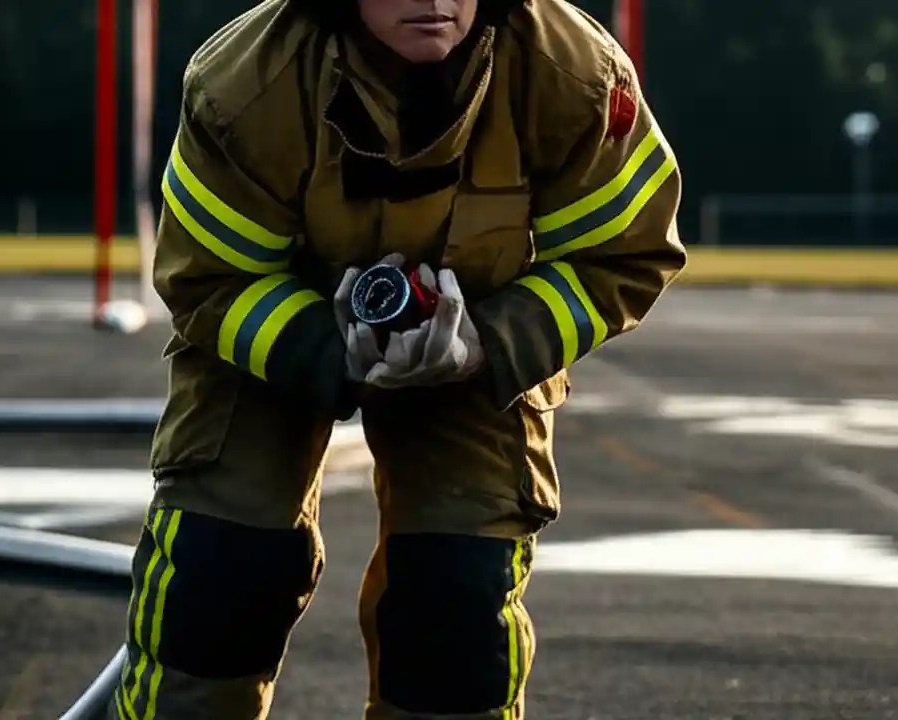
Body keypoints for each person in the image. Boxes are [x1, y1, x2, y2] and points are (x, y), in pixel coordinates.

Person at [111, 0, 686, 717]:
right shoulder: (242, 86)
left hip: (483, 356)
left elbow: (622, 254)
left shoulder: (575, 76)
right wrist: (327, 351)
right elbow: (211, 277)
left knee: (456, 602)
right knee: (219, 571)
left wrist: (485, 345)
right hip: (266, 351)